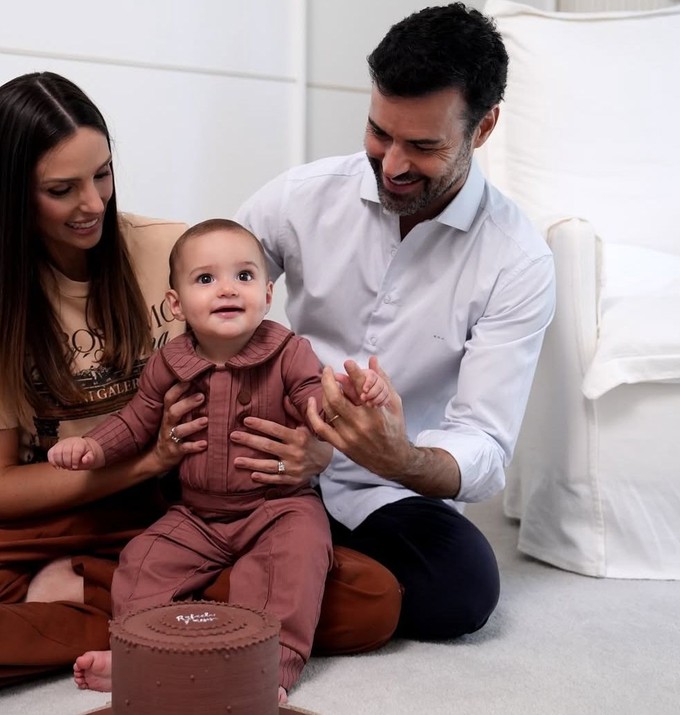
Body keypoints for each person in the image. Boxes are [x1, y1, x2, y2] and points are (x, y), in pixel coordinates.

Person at [0, 73, 399, 709]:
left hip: (177, 510)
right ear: (12, 195)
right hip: (52, 507)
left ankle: (113, 609)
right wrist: (151, 456)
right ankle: (180, 625)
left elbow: (281, 376)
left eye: (102, 175)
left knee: (371, 600)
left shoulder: (171, 249)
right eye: (61, 189)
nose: (92, 204)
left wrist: (315, 450)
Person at [235, 3, 557, 642]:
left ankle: (260, 577)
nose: (392, 164)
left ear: (483, 128)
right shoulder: (301, 196)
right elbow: (209, 281)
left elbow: (484, 446)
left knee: (462, 591)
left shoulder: (517, 261)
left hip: (385, 489)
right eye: (380, 133)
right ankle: (302, 580)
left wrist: (400, 457)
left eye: (425, 145)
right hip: (267, 456)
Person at [50, 219, 387, 701]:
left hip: (278, 507)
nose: (227, 289)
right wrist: (93, 447)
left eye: (244, 276)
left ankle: (265, 670)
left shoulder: (291, 353)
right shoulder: (170, 363)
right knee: (142, 561)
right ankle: (137, 657)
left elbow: (319, 402)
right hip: (197, 514)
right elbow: (136, 421)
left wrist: (353, 397)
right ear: (175, 303)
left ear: (269, 294)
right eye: (206, 279)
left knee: (292, 564)